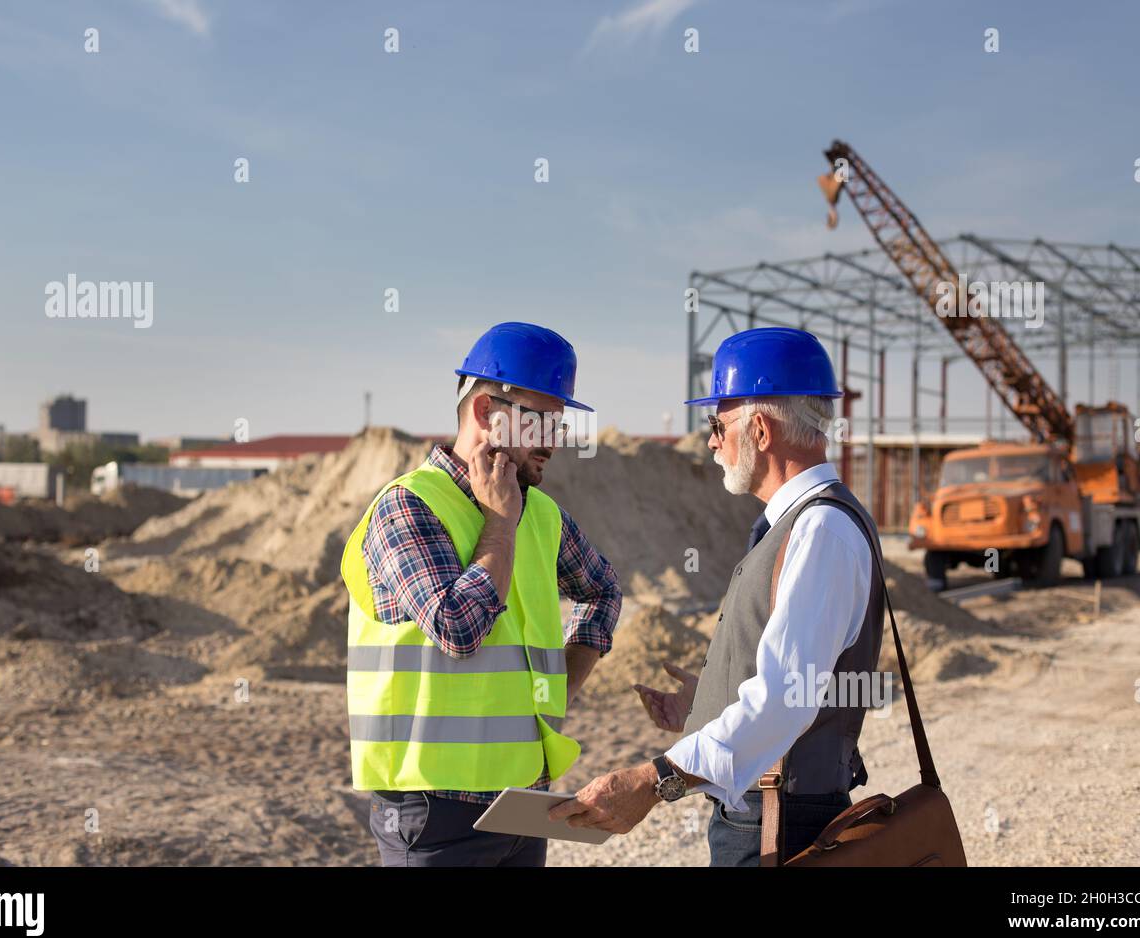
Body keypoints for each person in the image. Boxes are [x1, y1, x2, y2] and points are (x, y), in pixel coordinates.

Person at [549, 327, 884, 866]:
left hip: (784, 822)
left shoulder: (820, 531)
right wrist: (707, 705)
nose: (710, 441)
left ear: (759, 428)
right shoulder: (797, 525)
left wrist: (653, 781)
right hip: (767, 811)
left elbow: (785, 699)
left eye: (716, 424)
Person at [340, 321, 621, 866]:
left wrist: (559, 687)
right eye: (542, 423)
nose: (554, 443)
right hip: (432, 815)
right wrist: (497, 522)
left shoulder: (540, 513)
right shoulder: (408, 506)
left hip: (521, 804)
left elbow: (602, 592)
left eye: (560, 425)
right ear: (485, 413)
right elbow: (457, 629)